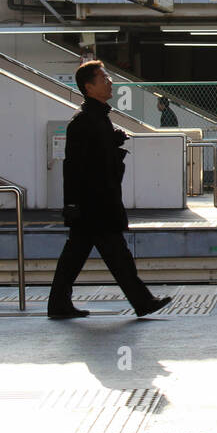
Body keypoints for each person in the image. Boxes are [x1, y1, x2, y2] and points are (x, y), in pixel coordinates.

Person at [47, 61, 173, 319]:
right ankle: (142, 301)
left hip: (96, 203)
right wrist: (71, 204)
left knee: (78, 256)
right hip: (94, 204)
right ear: (89, 87)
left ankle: (59, 304)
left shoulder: (97, 119)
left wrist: (113, 143)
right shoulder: (84, 122)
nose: (110, 82)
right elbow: (74, 167)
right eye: (103, 78)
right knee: (116, 255)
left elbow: (95, 158)